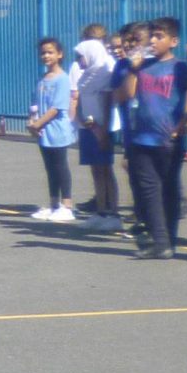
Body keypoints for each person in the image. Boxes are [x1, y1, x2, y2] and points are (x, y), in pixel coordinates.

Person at [117, 17, 187, 259]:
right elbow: (125, 95)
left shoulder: (179, 68)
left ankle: (169, 240)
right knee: (149, 191)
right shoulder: (142, 66)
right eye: (151, 36)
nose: (153, 40)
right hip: (141, 140)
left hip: (167, 140)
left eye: (159, 36)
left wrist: (185, 120)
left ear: (173, 41)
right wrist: (133, 68)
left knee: (169, 190)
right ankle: (161, 242)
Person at [72, 34, 120, 232]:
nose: (78, 61)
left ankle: (113, 213)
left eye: (80, 56)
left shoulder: (105, 74)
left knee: (106, 169)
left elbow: (108, 106)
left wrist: (103, 131)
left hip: (102, 128)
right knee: (95, 170)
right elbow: (81, 104)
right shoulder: (84, 77)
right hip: (88, 127)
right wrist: (85, 122)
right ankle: (101, 211)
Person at [27, 38, 76, 222]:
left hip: (57, 131)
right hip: (43, 132)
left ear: (59, 54)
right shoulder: (41, 80)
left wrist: (39, 123)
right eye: (43, 53)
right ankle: (54, 204)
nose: (46, 55)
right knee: (50, 168)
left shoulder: (63, 79)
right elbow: (34, 105)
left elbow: (56, 108)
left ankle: (67, 205)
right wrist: (32, 122)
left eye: (50, 52)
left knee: (60, 166)